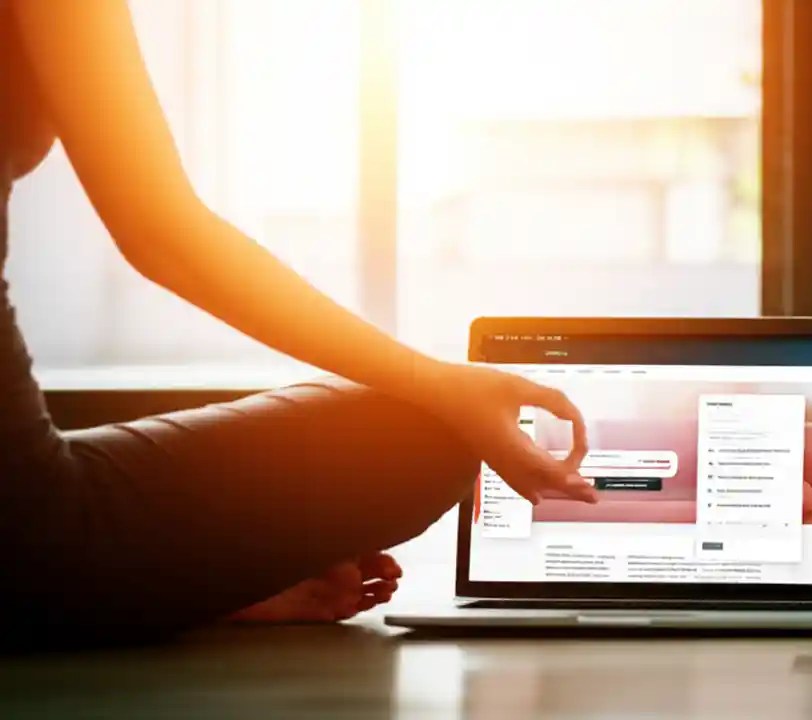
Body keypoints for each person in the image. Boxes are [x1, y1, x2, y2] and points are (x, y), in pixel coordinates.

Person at [0, 0, 596, 646]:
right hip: (24, 527)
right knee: (424, 435)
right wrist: (442, 386)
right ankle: (171, 589)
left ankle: (173, 583)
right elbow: (162, 236)